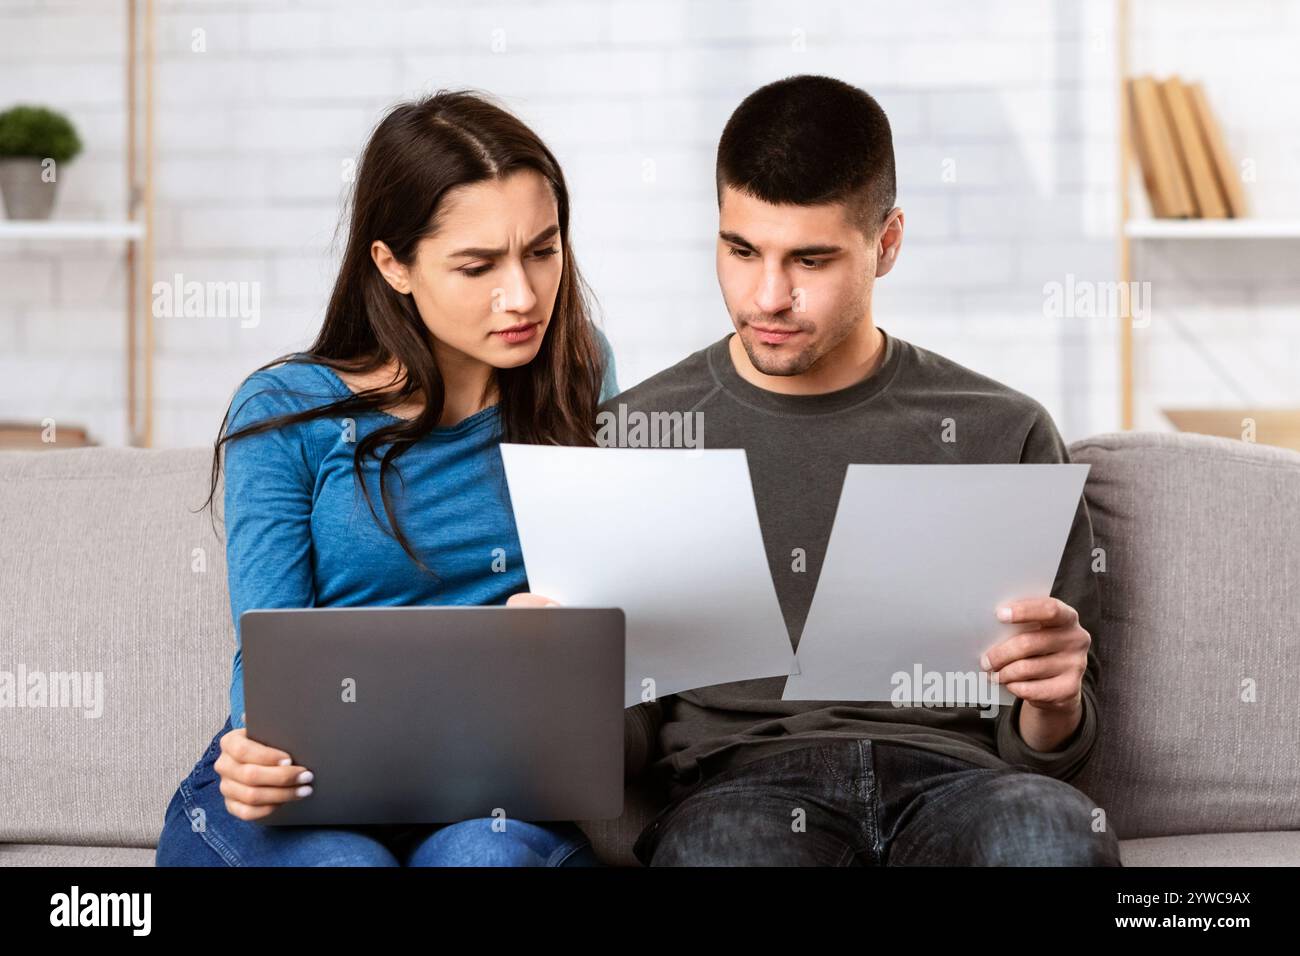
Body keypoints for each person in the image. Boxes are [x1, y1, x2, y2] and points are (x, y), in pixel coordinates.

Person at [564, 74, 1121, 865]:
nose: (768, 296)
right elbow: (620, 760)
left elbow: (1049, 754)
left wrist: (1057, 701)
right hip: (743, 792)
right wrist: (577, 673)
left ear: (886, 243)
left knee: (1050, 836)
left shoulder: (1006, 429)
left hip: (964, 784)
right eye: (741, 249)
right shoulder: (635, 437)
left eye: (810, 260)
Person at [156, 90, 625, 866]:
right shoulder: (286, 411)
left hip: (493, 783)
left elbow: (613, 587)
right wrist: (257, 749)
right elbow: (268, 648)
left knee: (489, 859)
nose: (524, 296)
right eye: (477, 266)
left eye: (543, 251)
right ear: (393, 264)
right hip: (304, 783)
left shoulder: (582, 369)